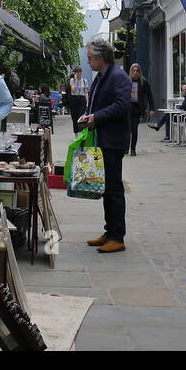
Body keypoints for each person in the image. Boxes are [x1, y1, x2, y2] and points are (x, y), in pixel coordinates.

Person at [79, 38, 131, 253]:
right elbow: (96, 103)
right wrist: (88, 115)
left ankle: (117, 237)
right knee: (106, 188)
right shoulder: (102, 76)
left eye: (90, 58)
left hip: (113, 140)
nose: (88, 61)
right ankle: (109, 231)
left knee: (114, 189)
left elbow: (122, 104)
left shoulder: (119, 76)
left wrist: (97, 117)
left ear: (101, 57)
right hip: (103, 138)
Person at [127, 63, 156, 156]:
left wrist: (151, 109)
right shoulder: (126, 81)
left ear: (139, 72)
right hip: (127, 108)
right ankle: (125, 148)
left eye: (137, 71)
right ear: (131, 71)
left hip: (137, 108)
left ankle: (133, 149)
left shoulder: (143, 81)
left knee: (134, 129)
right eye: (133, 71)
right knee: (127, 130)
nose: (135, 72)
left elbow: (150, 96)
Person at [65, 66, 88, 133]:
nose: (78, 73)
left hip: (82, 99)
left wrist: (87, 102)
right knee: (74, 117)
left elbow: (86, 92)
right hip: (74, 99)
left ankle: (81, 133)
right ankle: (76, 133)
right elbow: (74, 90)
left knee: (81, 116)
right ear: (74, 73)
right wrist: (76, 80)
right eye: (77, 72)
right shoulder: (72, 80)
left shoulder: (84, 81)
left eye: (80, 71)